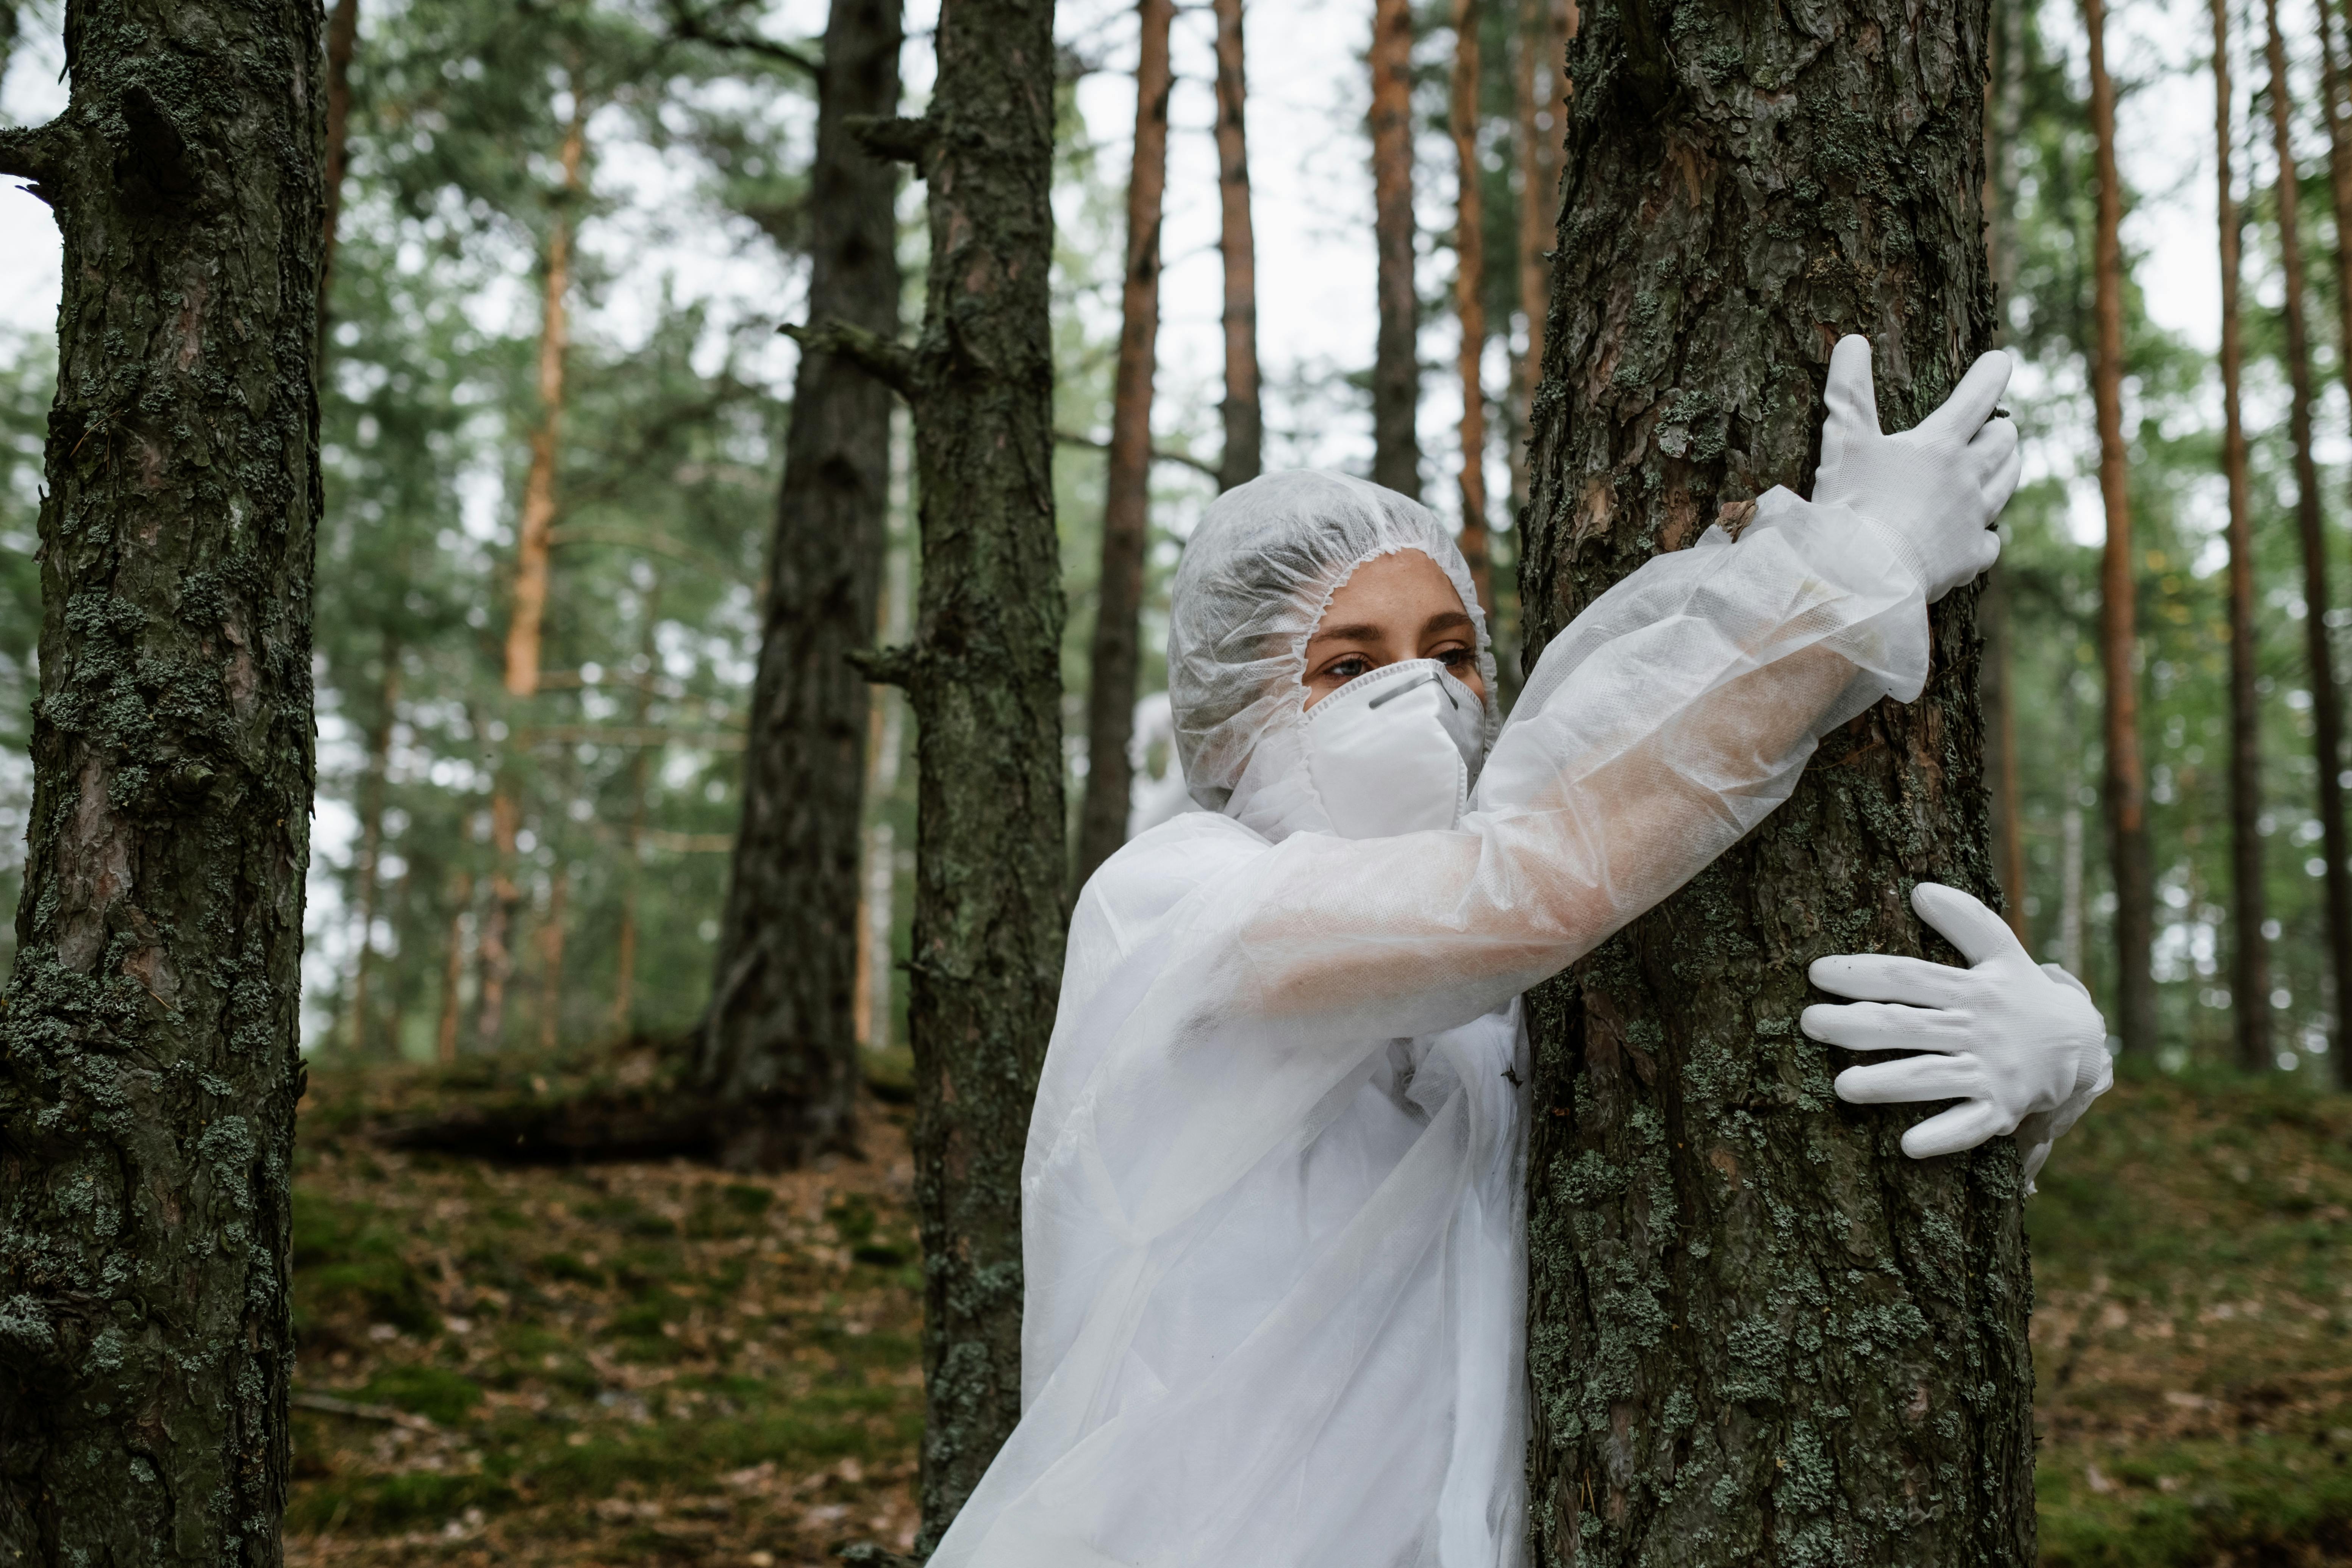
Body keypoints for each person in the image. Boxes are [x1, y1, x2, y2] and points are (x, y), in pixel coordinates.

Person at [927, 338, 2112, 1568]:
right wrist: (1853, 574)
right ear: (1232, 719)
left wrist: (2060, 1059)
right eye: (1347, 665)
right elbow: (1533, 882)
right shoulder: (1176, 902)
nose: (1421, 695)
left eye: (1450, 653)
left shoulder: (1490, 1016)